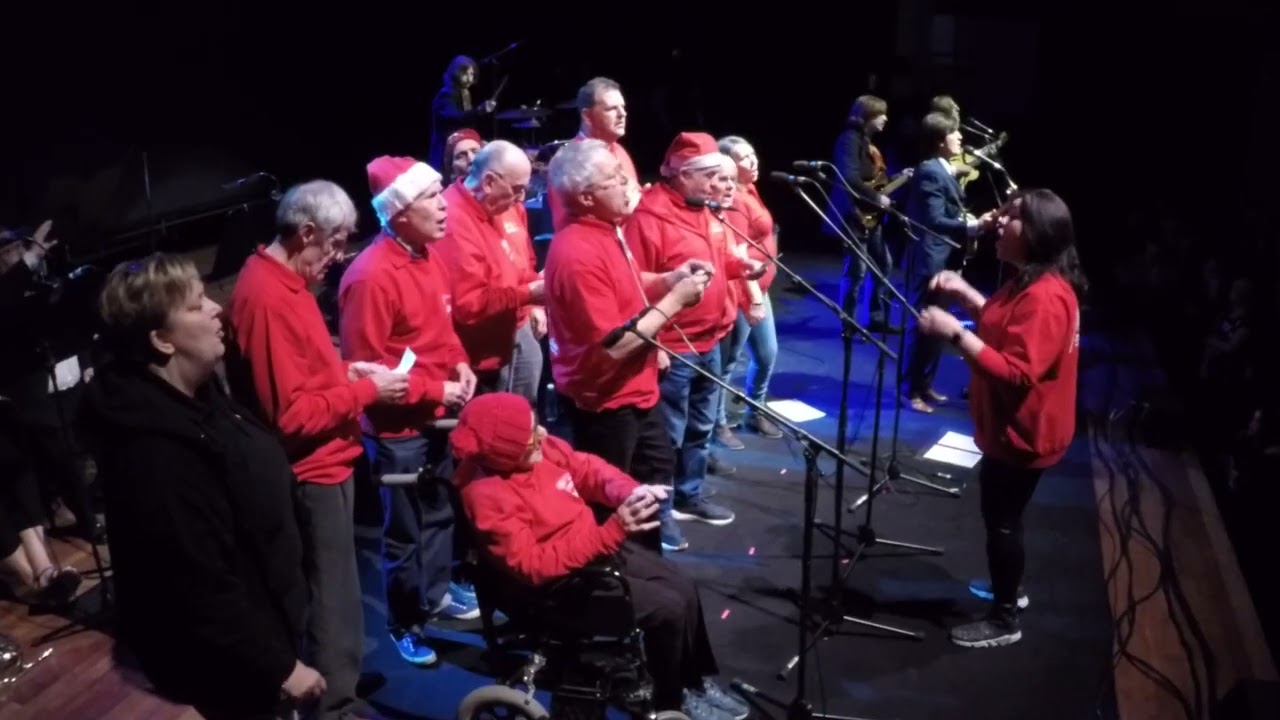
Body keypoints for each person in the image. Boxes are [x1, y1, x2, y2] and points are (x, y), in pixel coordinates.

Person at [78, 253, 321, 719]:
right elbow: (196, 581)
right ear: (161, 339)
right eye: (195, 306)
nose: (216, 308)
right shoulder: (152, 451)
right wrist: (282, 667)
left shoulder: (200, 394)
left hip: (269, 620)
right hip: (239, 660)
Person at [225, 180, 408, 719]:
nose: (340, 255)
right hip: (311, 469)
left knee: (342, 591)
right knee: (329, 595)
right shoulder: (265, 297)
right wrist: (367, 392)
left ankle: (339, 677)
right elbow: (290, 416)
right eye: (336, 242)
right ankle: (334, 705)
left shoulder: (287, 283)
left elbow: (303, 374)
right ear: (306, 232)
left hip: (331, 458)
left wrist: (347, 371)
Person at [450, 392, 750, 720]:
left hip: (589, 551)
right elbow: (533, 565)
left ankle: (693, 680)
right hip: (553, 589)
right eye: (531, 435)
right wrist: (612, 532)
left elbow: (587, 469)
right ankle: (670, 699)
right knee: (668, 608)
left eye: (536, 426)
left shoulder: (542, 450)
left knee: (684, 585)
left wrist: (629, 490)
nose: (543, 435)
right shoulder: (487, 495)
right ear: (504, 453)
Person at [913, 189, 1085, 648]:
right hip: (1015, 429)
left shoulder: (1045, 297)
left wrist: (953, 332)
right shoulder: (1030, 281)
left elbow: (1017, 373)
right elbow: (1001, 326)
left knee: (1002, 521)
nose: (999, 223)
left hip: (1024, 434)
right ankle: (1009, 588)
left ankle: (1005, 619)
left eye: (1012, 218)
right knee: (1005, 518)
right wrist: (966, 294)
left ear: (1036, 232)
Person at [339, 156, 480, 668]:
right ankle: (405, 622)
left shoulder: (428, 256)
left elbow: (441, 332)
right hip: (398, 429)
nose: (445, 206)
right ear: (398, 211)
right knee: (403, 534)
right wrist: (437, 387)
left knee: (439, 512)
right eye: (431, 197)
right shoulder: (370, 277)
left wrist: (460, 364)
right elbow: (367, 372)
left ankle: (436, 593)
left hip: (437, 412)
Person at [543, 138, 709, 553]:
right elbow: (614, 346)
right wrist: (676, 300)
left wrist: (668, 280)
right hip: (606, 405)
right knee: (614, 508)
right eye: (614, 179)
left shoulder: (607, 231)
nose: (627, 184)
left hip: (636, 391)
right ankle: (617, 579)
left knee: (652, 483)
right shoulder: (577, 251)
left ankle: (646, 572)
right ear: (585, 197)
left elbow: (627, 290)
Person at [626, 132, 765, 528]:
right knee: (667, 435)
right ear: (684, 174)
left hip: (710, 338)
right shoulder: (649, 217)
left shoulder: (705, 210)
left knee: (701, 428)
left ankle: (690, 495)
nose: (717, 184)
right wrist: (655, 344)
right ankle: (661, 512)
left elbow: (717, 259)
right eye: (709, 176)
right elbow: (634, 285)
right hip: (674, 344)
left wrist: (740, 268)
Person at [435, 140, 545, 405]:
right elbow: (469, 305)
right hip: (479, 355)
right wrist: (530, 294)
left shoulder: (509, 206)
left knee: (525, 415)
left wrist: (533, 305)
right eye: (517, 189)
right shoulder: (453, 222)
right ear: (488, 182)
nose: (522, 198)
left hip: (517, 328)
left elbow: (525, 261)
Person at [901, 112, 987, 413]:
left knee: (938, 326)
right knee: (923, 326)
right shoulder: (930, 171)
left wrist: (969, 220)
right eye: (955, 132)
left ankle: (925, 385)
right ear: (940, 140)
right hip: (930, 260)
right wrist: (971, 225)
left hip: (946, 258)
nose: (961, 137)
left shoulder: (943, 168)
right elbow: (934, 219)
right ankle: (911, 391)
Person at [713, 138, 783, 444]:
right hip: (743, 291)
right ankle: (717, 424)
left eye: (753, 154)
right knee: (729, 362)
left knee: (767, 354)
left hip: (759, 289)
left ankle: (755, 410)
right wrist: (753, 300)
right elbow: (738, 253)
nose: (753, 161)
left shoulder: (749, 189)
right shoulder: (736, 201)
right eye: (744, 157)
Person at [830, 95, 898, 334]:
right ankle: (848, 323)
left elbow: (872, 179)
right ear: (867, 116)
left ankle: (876, 318)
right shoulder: (849, 140)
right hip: (853, 214)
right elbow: (848, 178)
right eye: (881, 114)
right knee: (856, 271)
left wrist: (896, 180)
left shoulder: (866, 142)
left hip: (870, 215)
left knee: (883, 264)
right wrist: (877, 198)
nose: (886, 118)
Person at [548, 77, 640, 232]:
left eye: (623, 107)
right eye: (611, 109)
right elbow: (565, 226)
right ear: (587, 116)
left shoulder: (620, 151)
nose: (622, 114)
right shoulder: (568, 163)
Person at [429, 56, 496, 169]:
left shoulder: (464, 93)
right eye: (465, 74)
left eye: (471, 74)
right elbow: (454, 118)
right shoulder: (446, 94)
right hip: (445, 151)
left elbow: (466, 125)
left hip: (458, 148)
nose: (469, 78)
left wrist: (477, 141)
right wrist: (478, 111)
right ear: (456, 73)